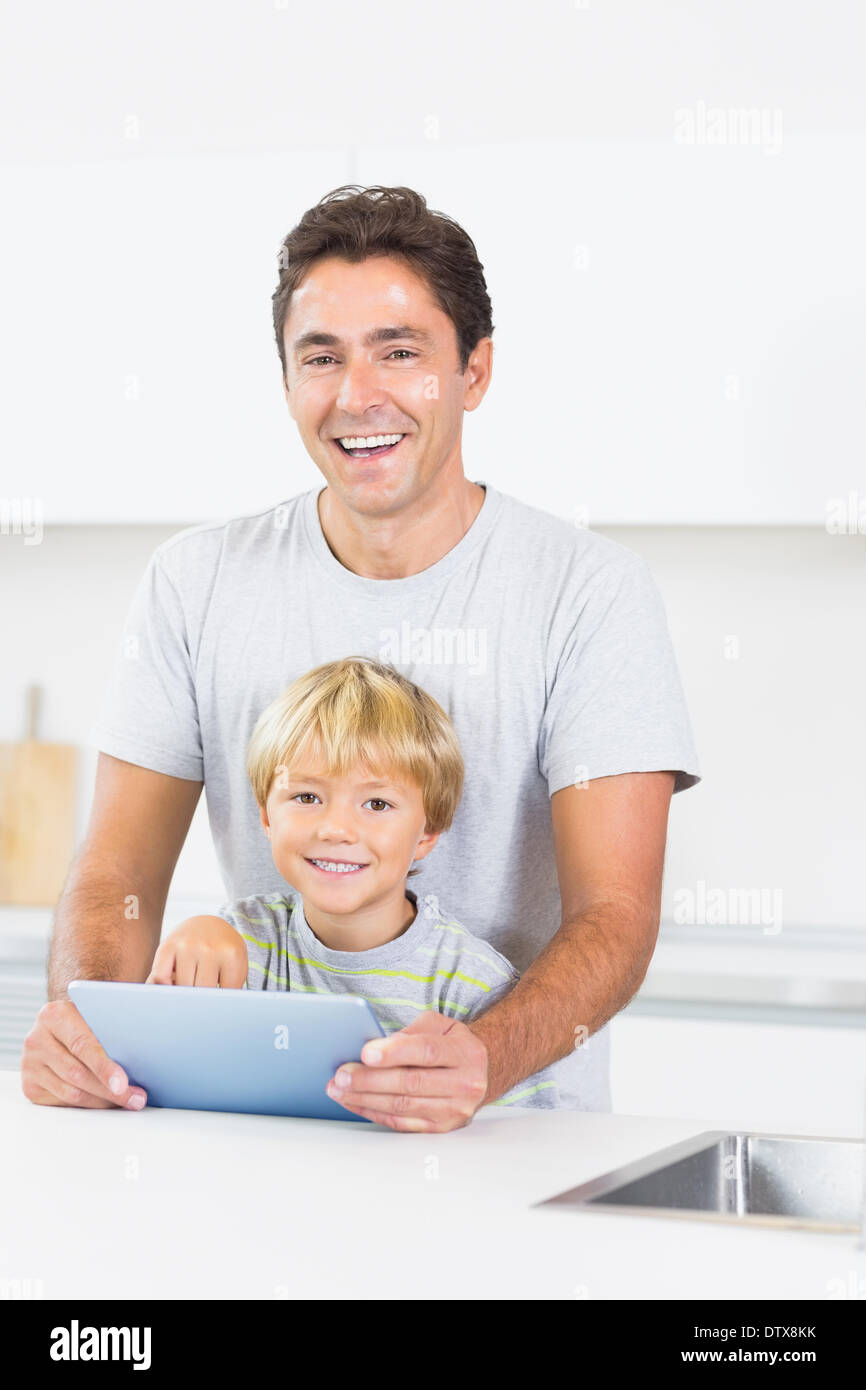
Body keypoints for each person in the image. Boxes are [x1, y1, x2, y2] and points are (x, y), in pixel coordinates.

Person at [22, 183, 700, 1129]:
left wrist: (481, 1060)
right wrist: (84, 1018)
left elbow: (615, 920)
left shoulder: (590, 593)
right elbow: (115, 879)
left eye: (400, 352)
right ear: (289, 381)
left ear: (473, 372)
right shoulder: (194, 582)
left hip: (512, 1136)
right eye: (322, 357)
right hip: (262, 1129)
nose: (357, 396)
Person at [147, 656, 566, 1115]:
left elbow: (523, 1135)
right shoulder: (241, 944)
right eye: (307, 797)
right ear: (267, 816)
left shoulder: (472, 986)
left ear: (427, 832)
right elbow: (167, 1073)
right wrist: (196, 935)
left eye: (377, 803)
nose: (336, 829)